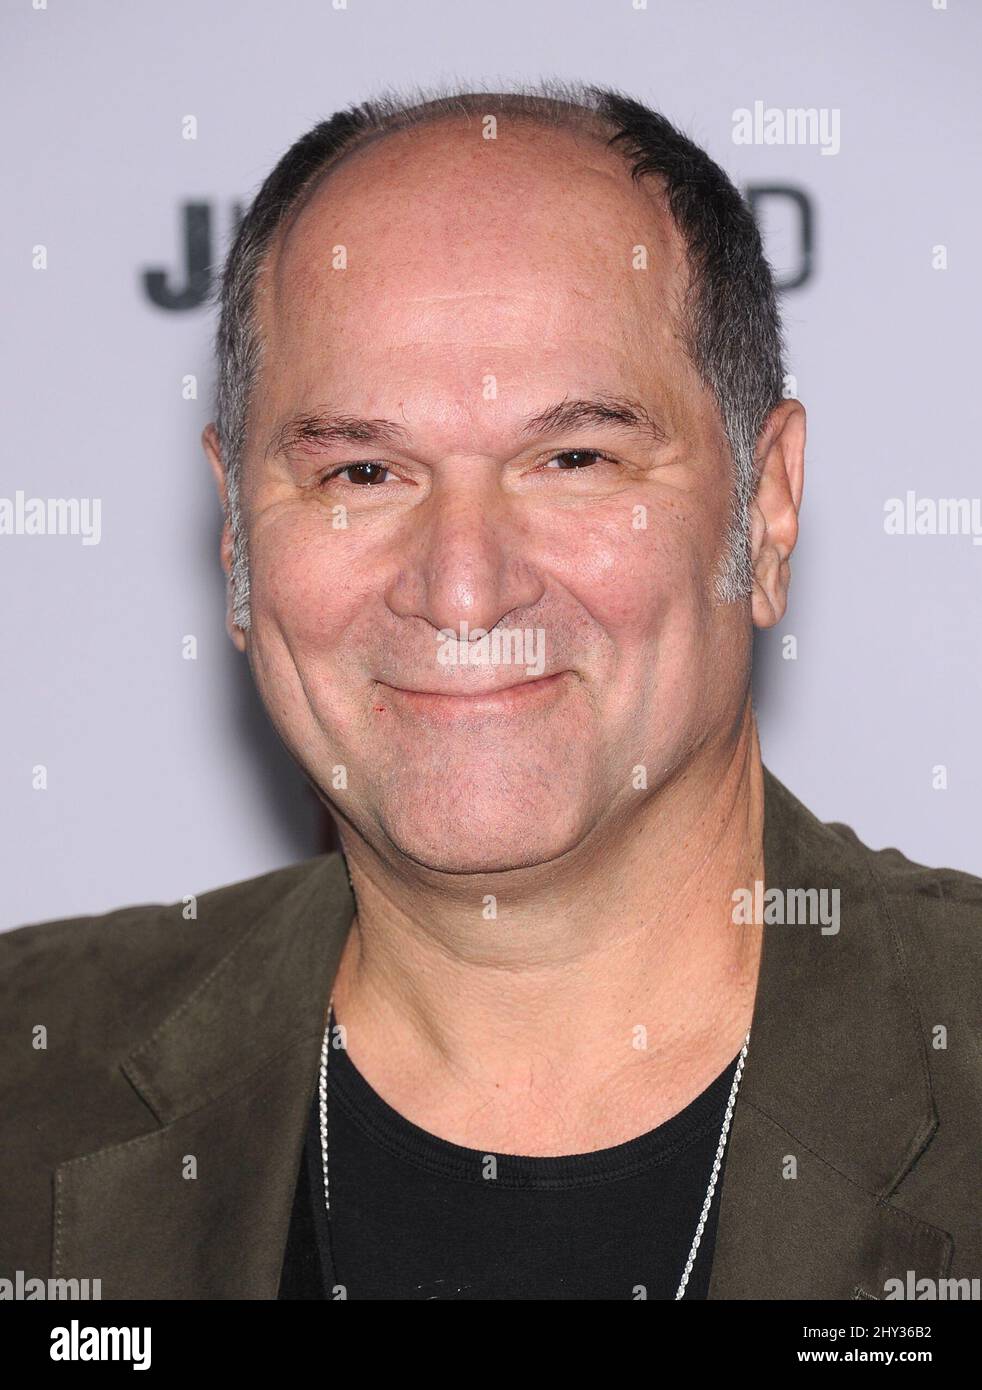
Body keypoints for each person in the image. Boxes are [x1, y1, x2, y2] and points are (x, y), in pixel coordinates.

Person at [2, 81, 979, 1302]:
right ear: (235, 532)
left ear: (765, 509)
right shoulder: (24, 1075)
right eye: (362, 469)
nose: (462, 589)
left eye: (574, 458)